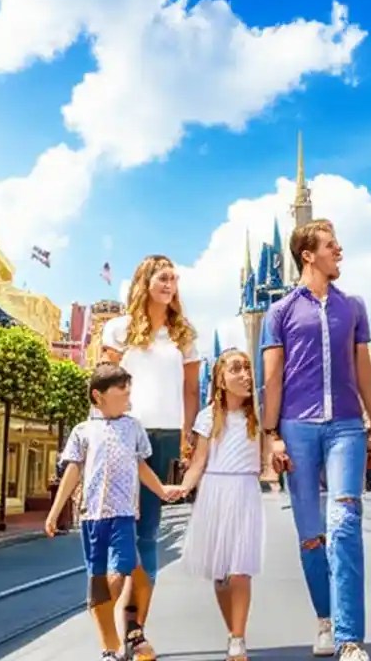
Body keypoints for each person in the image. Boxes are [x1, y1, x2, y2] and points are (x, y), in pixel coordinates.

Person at [262, 219, 371, 661]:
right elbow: (271, 380)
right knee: (311, 533)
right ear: (308, 255)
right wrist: (271, 435)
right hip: (296, 428)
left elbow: (365, 371)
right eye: (332, 246)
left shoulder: (353, 307)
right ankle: (325, 619)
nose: (340, 252)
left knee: (346, 525)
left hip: (347, 427)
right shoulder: (279, 313)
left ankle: (351, 637)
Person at [45, 363, 184, 661]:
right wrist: (54, 512)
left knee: (118, 571)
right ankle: (110, 650)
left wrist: (162, 491)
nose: (128, 393)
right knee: (98, 579)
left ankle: (113, 609)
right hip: (91, 516)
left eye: (128, 387)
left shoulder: (133, 427)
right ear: (99, 395)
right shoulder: (83, 431)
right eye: (121, 388)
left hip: (122, 514)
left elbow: (141, 466)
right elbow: (72, 471)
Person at [100, 255, 201, 661]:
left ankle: (136, 632)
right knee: (117, 535)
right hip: (125, 434)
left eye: (175, 279)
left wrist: (188, 437)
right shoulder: (119, 329)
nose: (170, 285)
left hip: (165, 437)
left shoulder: (184, 336)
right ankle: (110, 639)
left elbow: (191, 393)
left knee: (148, 535)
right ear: (145, 281)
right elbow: (103, 385)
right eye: (163, 277)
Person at [176, 349, 264, 661]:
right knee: (221, 574)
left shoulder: (259, 415)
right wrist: (183, 486)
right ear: (221, 379)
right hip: (214, 491)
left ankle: (238, 639)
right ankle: (233, 633)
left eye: (247, 369)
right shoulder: (207, 416)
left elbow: (267, 459)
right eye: (236, 369)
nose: (245, 375)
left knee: (240, 570)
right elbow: (199, 462)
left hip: (244, 490)